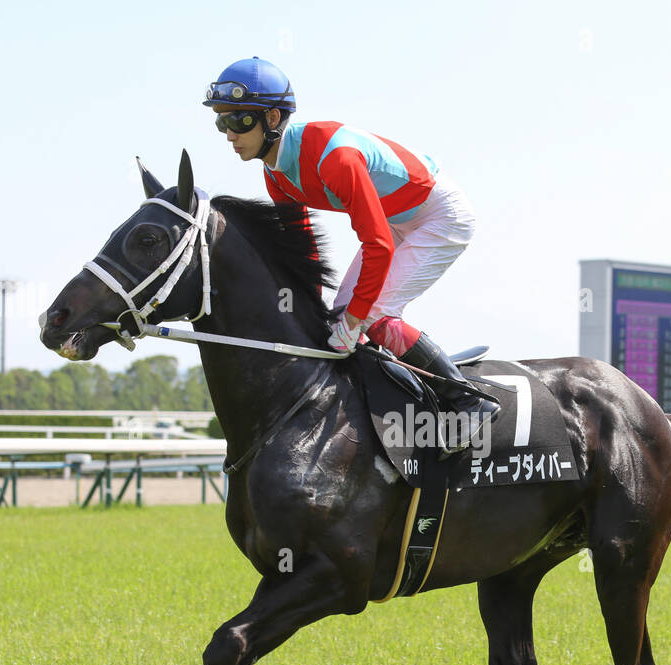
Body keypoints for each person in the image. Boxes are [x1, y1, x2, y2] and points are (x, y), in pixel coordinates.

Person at [202, 56, 498, 453]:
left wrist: (357, 319)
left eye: (238, 121)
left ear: (272, 117)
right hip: (396, 219)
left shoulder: (334, 157)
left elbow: (378, 245)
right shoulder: (275, 173)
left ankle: (469, 401)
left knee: (371, 316)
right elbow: (302, 249)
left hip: (439, 216)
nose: (228, 134)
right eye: (222, 122)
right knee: (341, 317)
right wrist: (306, 310)